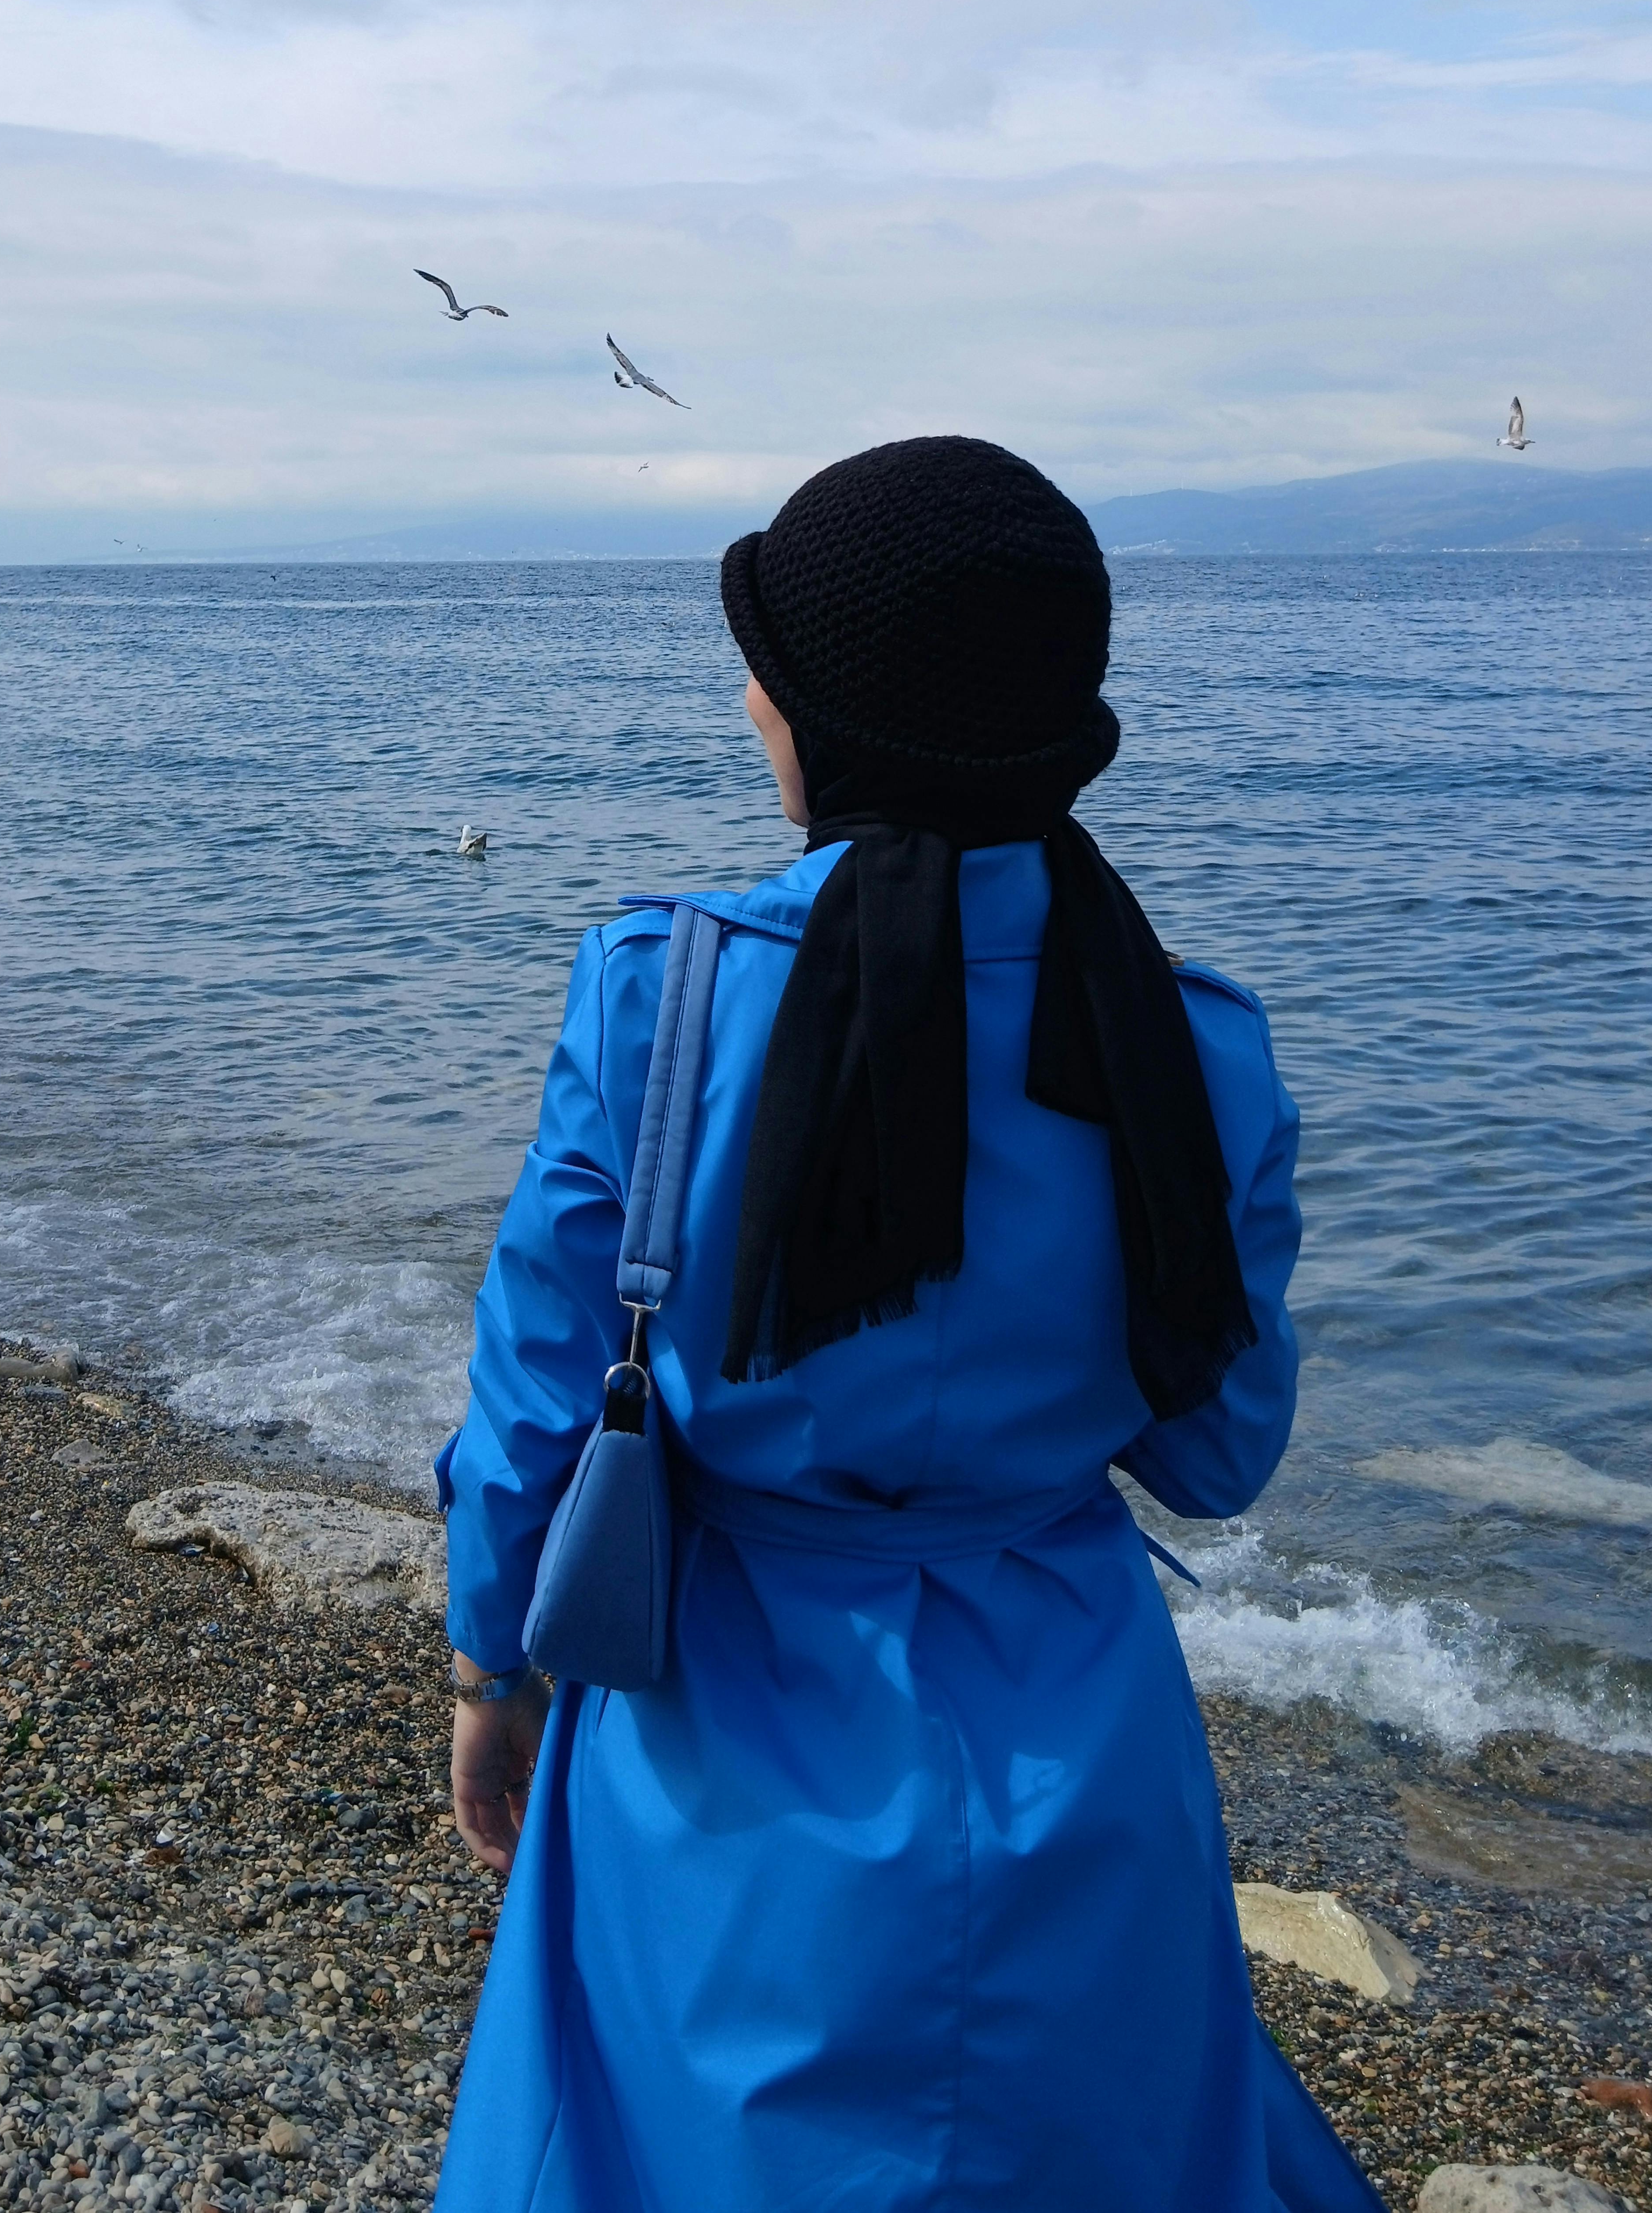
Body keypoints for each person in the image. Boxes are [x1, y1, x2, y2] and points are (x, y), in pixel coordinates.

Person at [432, 435, 1384, 2213]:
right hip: (1071, 1713)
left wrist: (490, 1669)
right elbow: (1216, 1448)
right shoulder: (1195, 1044)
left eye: (766, 669)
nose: (745, 700)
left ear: (819, 720)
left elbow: (535, 1403)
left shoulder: (660, 997)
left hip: (720, 1713)